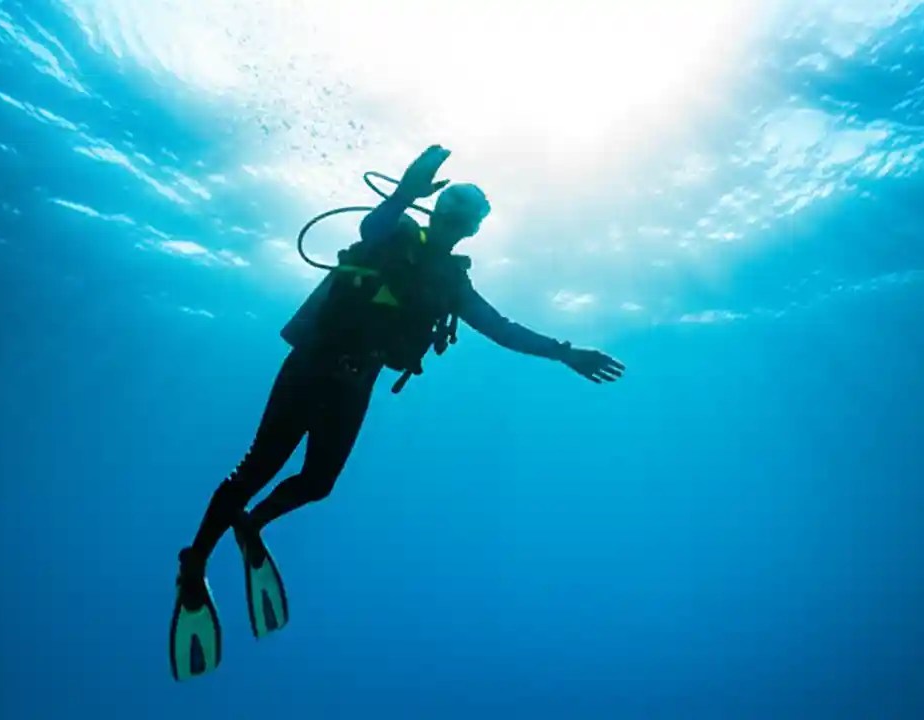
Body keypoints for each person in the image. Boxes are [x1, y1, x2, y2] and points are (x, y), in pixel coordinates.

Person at [169, 145, 625, 680]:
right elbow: (373, 223)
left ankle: (252, 526)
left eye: (469, 212)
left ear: (475, 229)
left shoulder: (453, 283)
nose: (458, 215)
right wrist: (409, 185)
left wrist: (564, 352)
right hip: (312, 363)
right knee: (258, 467)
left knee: (317, 484)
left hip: (358, 381)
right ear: (437, 207)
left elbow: (502, 329)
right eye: (454, 203)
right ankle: (194, 565)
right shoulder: (398, 233)